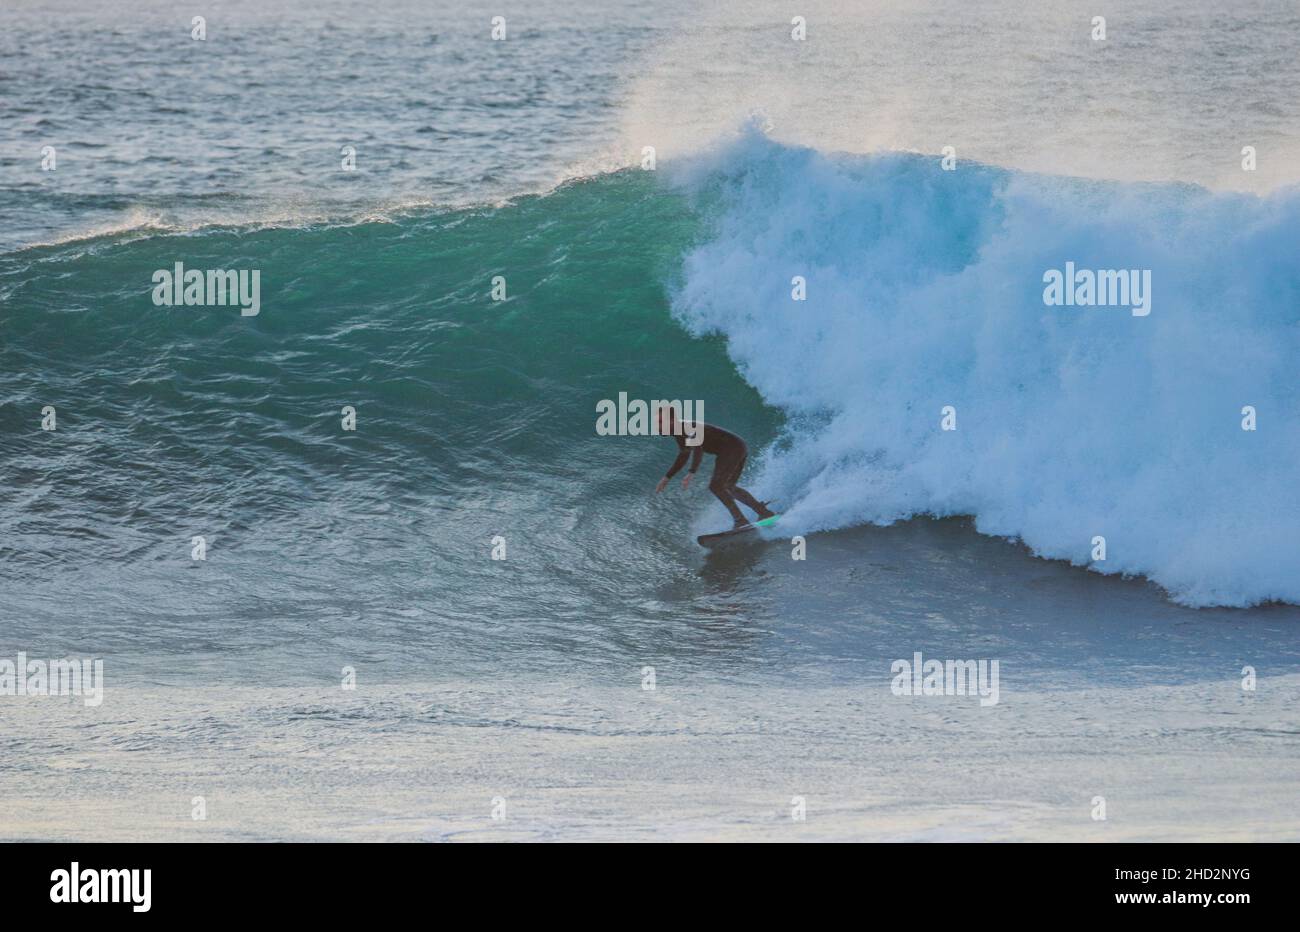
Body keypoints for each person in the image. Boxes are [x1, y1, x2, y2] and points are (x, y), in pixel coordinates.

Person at [654, 407, 774, 528]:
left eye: (660, 422)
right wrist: (667, 477)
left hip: (732, 448)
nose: (657, 426)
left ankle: (740, 520)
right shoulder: (679, 432)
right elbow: (684, 454)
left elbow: (698, 449)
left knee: (716, 486)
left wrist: (692, 472)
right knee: (728, 486)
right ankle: (764, 512)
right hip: (736, 447)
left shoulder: (687, 427)